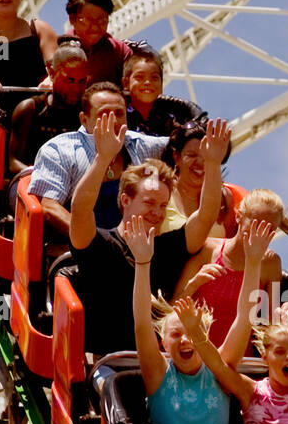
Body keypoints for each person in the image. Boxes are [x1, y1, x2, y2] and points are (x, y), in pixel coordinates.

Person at [68, 110, 231, 356]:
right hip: (108, 365)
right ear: (125, 200)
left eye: (163, 205)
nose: (157, 212)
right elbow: (80, 209)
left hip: (158, 363)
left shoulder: (167, 247)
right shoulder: (100, 243)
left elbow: (206, 216)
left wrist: (212, 163)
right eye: (149, 202)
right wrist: (102, 159)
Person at [127, 214, 275, 424]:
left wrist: (252, 262)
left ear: (205, 335)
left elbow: (244, 317)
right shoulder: (158, 374)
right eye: (175, 334)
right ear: (162, 342)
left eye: (192, 332)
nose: (185, 340)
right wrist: (142, 262)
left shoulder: (220, 370)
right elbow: (141, 322)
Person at [27, 81, 167, 240]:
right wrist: (97, 244)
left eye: (119, 113)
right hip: (78, 251)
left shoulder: (139, 144)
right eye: (104, 114)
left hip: (136, 248)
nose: (113, 121)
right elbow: (49, 208)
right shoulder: (59, 150)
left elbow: (183, 144)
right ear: (84, 119)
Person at [174, 188, 288, 347]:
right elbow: (170, 311)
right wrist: (194, 284)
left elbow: (271, 323)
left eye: (269, 230)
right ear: (238, 216)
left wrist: (284, 316)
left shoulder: (270, 263)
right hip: (195, 354)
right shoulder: (208, 249)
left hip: (237, 361)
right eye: (256, 225)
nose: (260, 234)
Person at [8, 41, 89, 174]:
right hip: (31, 184)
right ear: (52, 73)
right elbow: (13, 163)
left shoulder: (88, 111)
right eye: (69, 80)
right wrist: (45, 176)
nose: (76, 89)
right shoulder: (29, 110)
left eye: (82, 81)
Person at [160, 120, 241, 239]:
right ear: (177, 157)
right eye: (191, 155)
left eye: (207, 157)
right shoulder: (161, 192)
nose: (200, 162)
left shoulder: (225, 198)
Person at [122, 45, 206, 138]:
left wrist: (189, 108)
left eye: (154, 78)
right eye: (139, 77)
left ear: (161, 84)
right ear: (125, 83)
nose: (147, 82)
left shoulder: (173, 121)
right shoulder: (117, 114)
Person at [65, 0, 134, 85]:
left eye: (102, 21)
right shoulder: (59, 49)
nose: (95, 27)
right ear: (72, 19)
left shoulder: (120, 52)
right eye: (88, 20)